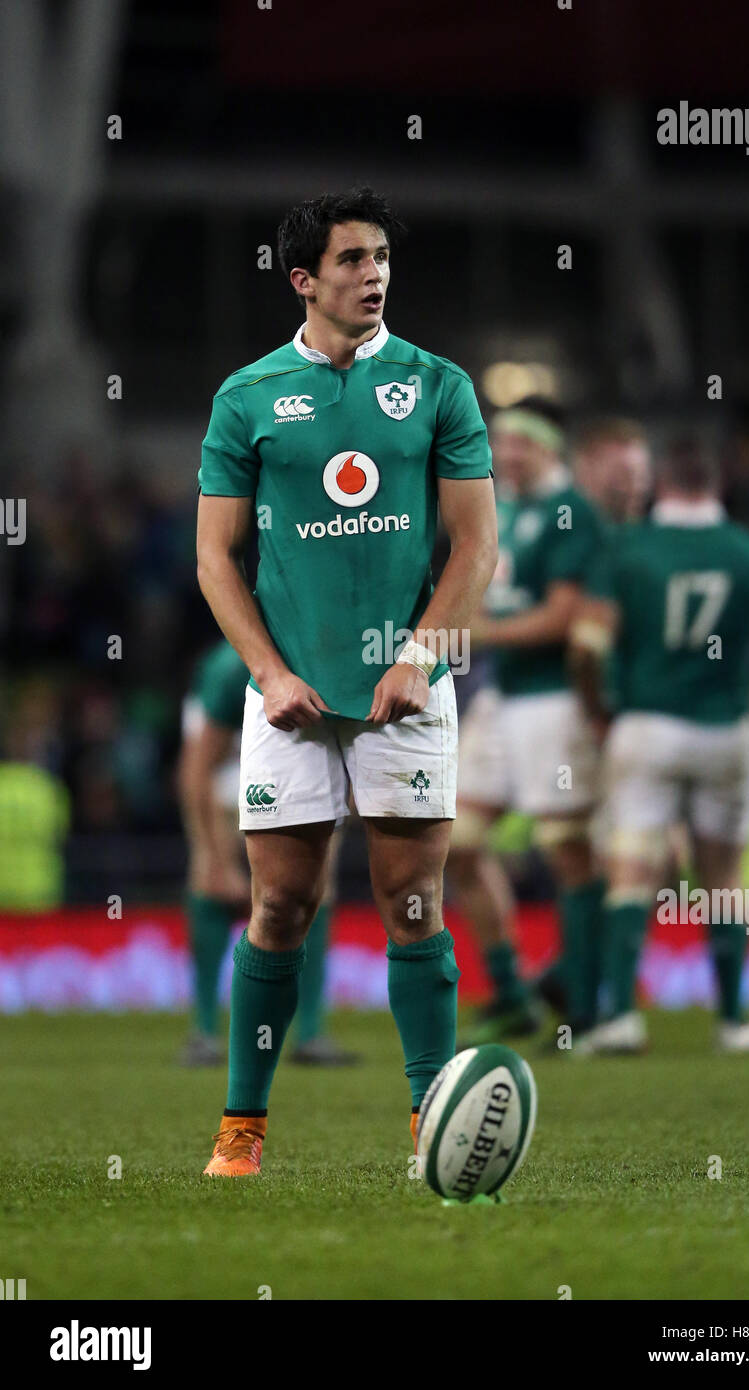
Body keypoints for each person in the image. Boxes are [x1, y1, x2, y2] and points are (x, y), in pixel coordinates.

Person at [196, 187, 497, 1175]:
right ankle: (242, 1127)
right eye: (352, 260)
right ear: (303, 278)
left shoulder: (437, 384)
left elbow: (474, 544)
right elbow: (215, 559)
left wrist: (421, 656)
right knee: (280, 905)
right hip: (290, 696)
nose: (373, 275)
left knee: (412, 901)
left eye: (380, 258)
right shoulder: (245, 397)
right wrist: (268, 673)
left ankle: (429, 1123)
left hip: (403, 689)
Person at [569, 436, 749, 1054]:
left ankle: (620, 1017)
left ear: (663, 484)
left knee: (630, 870)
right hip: (727, 728)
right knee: (723, 876)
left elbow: (587, 647)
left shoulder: (627, 550)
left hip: (646, 726)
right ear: (718, 486)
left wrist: (599, 712)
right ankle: (733, 1022)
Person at [446, 398, 609, 1045]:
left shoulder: (573, 517)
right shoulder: (501, 507)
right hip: (500, 695)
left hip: (553, 699)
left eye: (522, 442)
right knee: (454, 843)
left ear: (552, 447)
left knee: (565, 849)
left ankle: (583, 1001)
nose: (507, 452)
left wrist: (478, 629)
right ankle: (512, 991)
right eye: (501, 440)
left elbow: (567, 616)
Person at [177, 638, 357, 1067]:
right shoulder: (229, 667)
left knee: (319, 883)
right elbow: (196, 769)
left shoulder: (326, 652)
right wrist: (216, 859)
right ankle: (203, 1030)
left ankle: (311, 1032)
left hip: (296, 772)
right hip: (227, 784)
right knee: (209, 879)